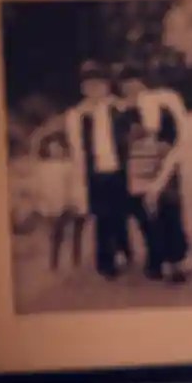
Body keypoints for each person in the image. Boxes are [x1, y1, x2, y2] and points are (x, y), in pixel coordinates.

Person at [115, 63, 192, 284]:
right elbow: (122, 145)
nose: (131, 88)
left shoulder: (165, 101)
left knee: (168, 210)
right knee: (145, 216)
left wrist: (162, 176)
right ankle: (156, 258)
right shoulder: (123, 111)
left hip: (164, 165)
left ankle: (178, 259)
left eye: (135, 83)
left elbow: (177, 139)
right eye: (126, 85)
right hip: (137, 170)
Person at [64, 60, 132, 279]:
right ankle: (106, 262)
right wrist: (79, 181)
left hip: (119, 169)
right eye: (90, 86)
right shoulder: (77, 115)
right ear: (83, 88)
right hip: (95, 173)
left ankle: (124, 249)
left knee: (120, 213)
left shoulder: (118, 108)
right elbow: (76, 149)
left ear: (107, 86)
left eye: (99, 85)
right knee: (102, 217)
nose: (95, 90)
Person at [28, 120, 87, 271]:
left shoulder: (69, 165)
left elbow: (75, 185)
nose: (56, 150)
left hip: (70, 202)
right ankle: (54, 263)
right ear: (48, 149)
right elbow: (39, 186)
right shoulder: (43, 167)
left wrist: (75, 201)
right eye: (52, 148)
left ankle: (76, 260)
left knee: (76, 233)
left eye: (59, 147)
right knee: (56, 234)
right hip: (54, 205)